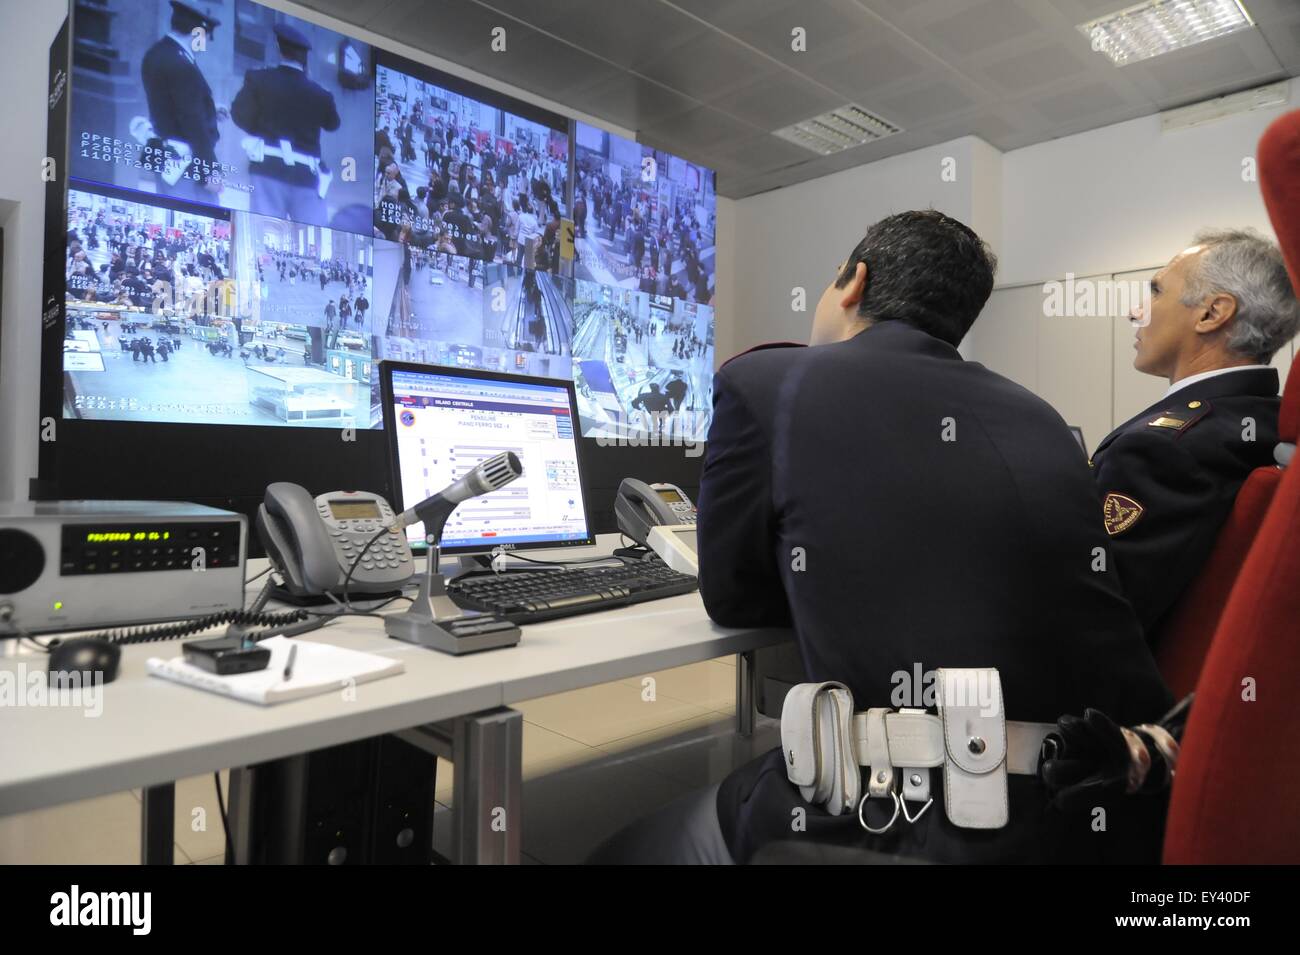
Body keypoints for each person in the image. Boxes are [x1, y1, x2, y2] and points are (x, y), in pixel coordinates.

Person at [592, 210, 1171, 865]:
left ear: (854, 282)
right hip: (1096, 812)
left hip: (907, 819)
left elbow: (732, 597)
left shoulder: (766, 383)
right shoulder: (1039, 416)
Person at [1091, 230, 1299, 635]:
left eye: (1156, 292)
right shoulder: (1270, 421)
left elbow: (1100, 617)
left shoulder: (1160, 450)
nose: (1135, 312)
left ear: (1212, 313)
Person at [231, 23, 341, 224]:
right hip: (305, 175)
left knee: (264, 233)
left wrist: (262, 132)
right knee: (312, 235)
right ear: (304, 58)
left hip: (267, 168)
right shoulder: (320, 94)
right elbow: (332, 124)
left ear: (279, 50)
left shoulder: (259, 78)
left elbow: (239, 115)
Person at [140, 2, 223, 201]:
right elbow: (192, 120)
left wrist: (210, 109)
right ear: (197, 33)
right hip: (186, 164)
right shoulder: (182, 64)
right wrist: (209, 171)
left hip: (165, 154)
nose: (205, 43)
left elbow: (171, 102)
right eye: (205, 36)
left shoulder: (156, 53)